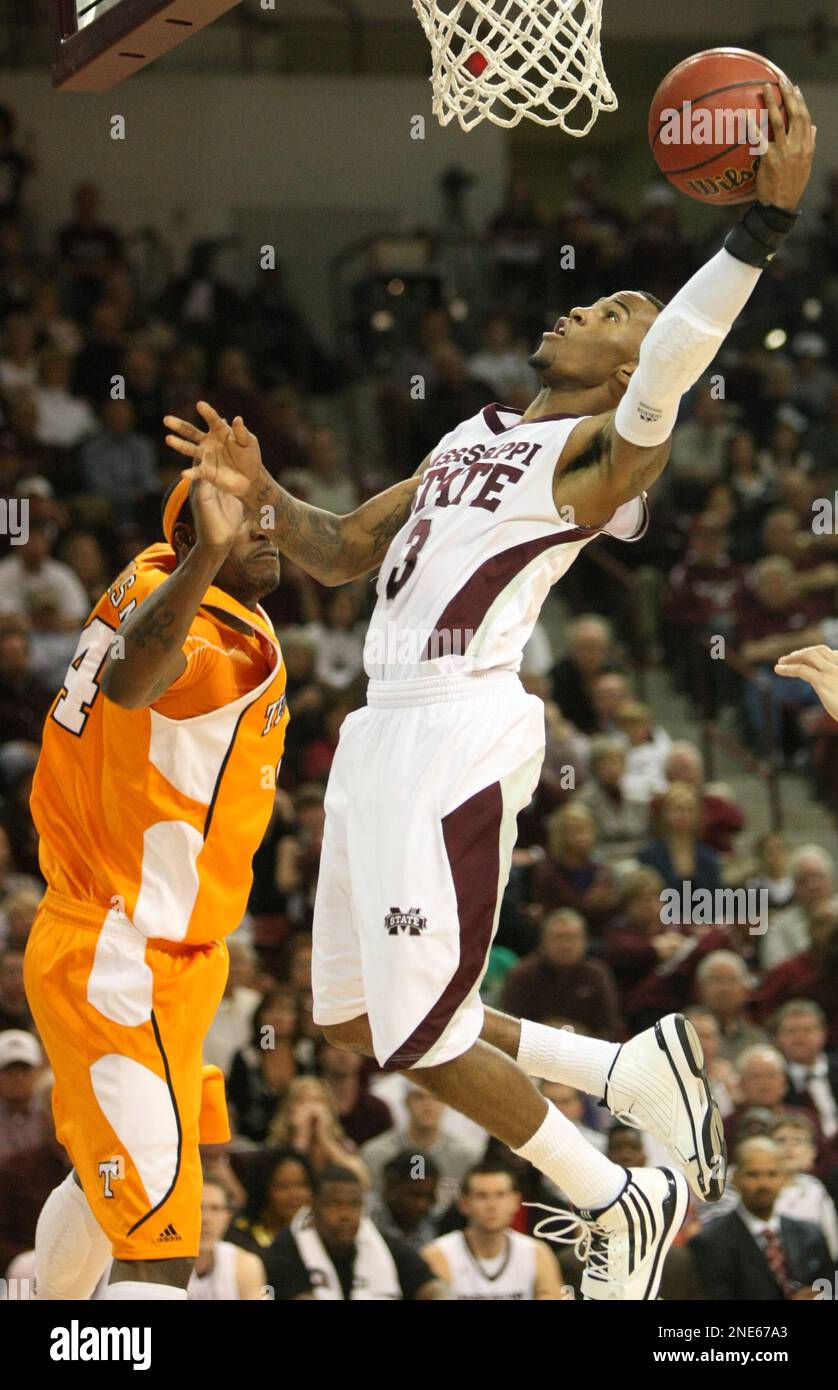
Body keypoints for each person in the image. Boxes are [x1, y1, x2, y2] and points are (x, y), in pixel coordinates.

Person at [168, 88, 814, 1300]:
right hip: (376, 728)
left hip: (461, 725)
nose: (583, 308)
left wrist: (755, 235)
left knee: (422, 1029)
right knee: (358, 1023)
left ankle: (616, 1193)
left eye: (613, 311)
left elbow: (669, 360)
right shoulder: (464, 440)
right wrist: (259, 491)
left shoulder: (596, 458)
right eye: (600, 298)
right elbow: (337, 551)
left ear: (631, 362)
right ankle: (624, 1076)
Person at [23, 460, 415, 1301]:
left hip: (144, 947)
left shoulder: (148, 575)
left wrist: (470, 450)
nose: (265, 530)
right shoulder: (205, 632)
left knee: (111, 1189)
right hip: (123, 956)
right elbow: (132, 680)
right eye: (241, 520)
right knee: (164, 1251)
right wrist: (211, 553)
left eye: (266, 515)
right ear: (192, 539)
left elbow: (346, 539)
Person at [263, 1164, 448, 1300]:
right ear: (313, 1207)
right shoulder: (287, 1247)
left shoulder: (378, 1242)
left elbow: (432, 1288)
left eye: (354, 1205)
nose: (346, 1215)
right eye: (335, 1204)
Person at [688, 1136, 835, 1300]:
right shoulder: (709, 1242)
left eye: (772, 1174)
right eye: (753, 1174)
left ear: (784, 1178)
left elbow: (830, 1287)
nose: (763, 1184)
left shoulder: (810, 1233)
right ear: (735, 1179)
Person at [422, 1162, 566, 1299]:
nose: (492, 1205)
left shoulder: (537, 1253)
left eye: (500, 1195)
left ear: (515, 1201)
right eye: (482, 1196)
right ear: (464, 1204)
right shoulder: (438, 1254)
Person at [187, 1177, 267, 1300]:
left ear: (228, 1217)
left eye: (215, 1208)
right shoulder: (162, 1264)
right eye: (198, 1207)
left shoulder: (245, 1264)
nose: (205, 1219)